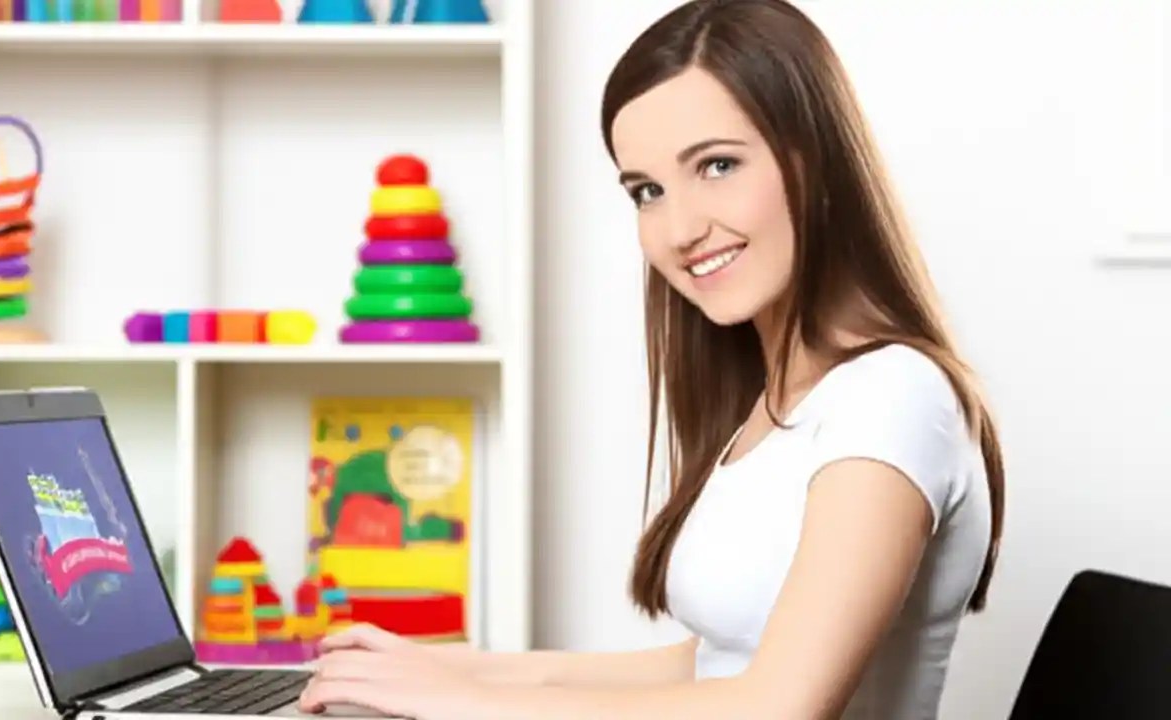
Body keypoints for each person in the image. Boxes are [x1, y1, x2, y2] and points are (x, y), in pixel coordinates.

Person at [299, 0, 1004, 718]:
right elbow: (719, 661)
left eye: (718, 165)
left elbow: (777, 706)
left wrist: (469, 703)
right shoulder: (785, 401)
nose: (681, 228)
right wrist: (471, 672)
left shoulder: (893, 396)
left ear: (814, 157)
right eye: (648, 191)